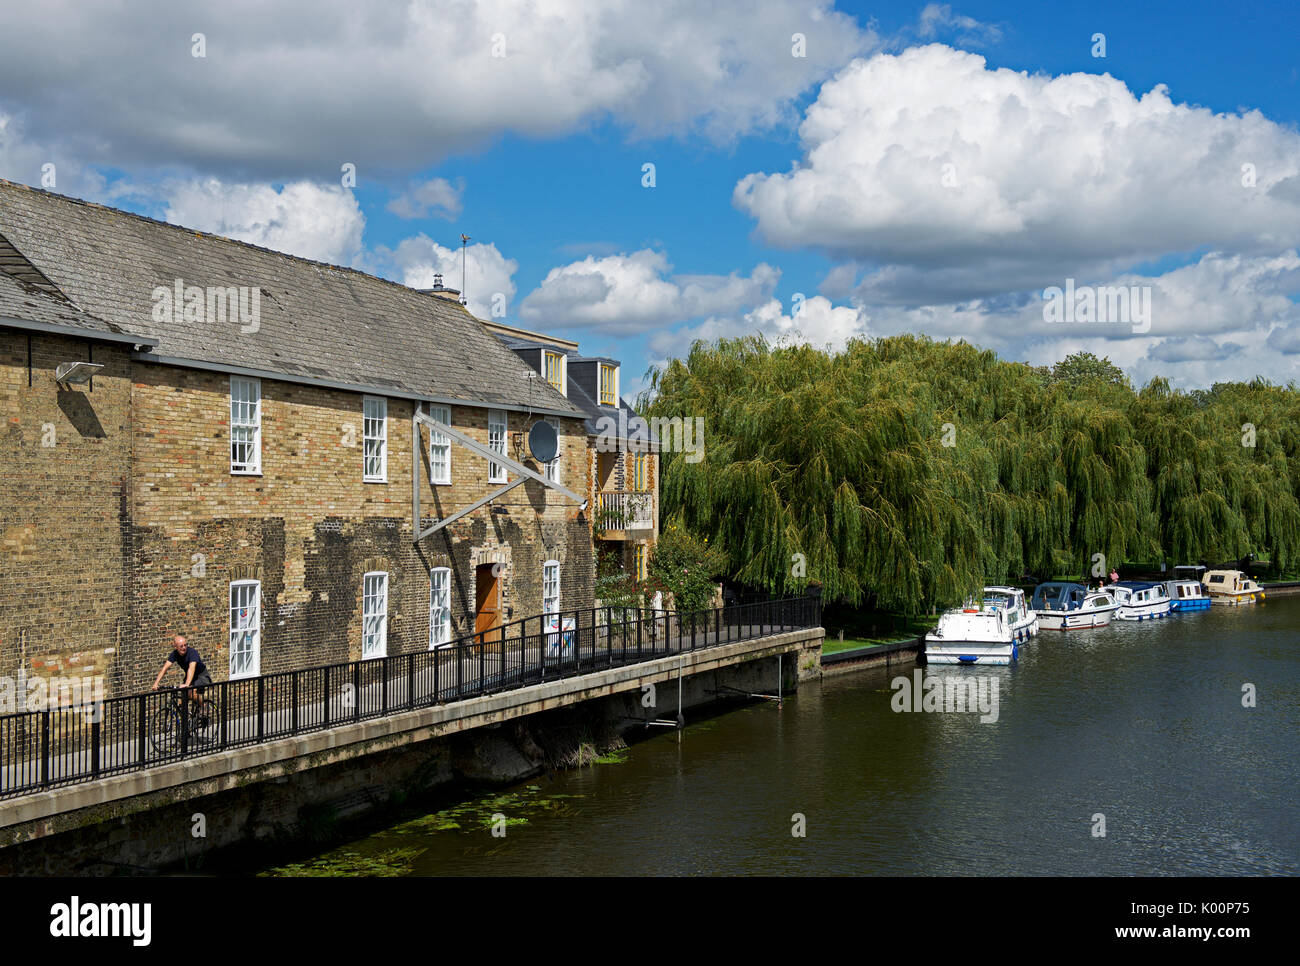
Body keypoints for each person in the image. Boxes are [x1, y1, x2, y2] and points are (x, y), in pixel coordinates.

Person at [151, 635, 212, 714]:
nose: (184, 648)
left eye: (185, 645)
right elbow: (164, 669)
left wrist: (187, 684)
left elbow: (191, 668)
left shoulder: (192, 653)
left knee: (190, 693)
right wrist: (156, 683)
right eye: (181, 646)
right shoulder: (174, 654)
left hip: (201, 675)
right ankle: (187, 722)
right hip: (190, 675)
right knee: (181, 701)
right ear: (176, 647)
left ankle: (203, 706)